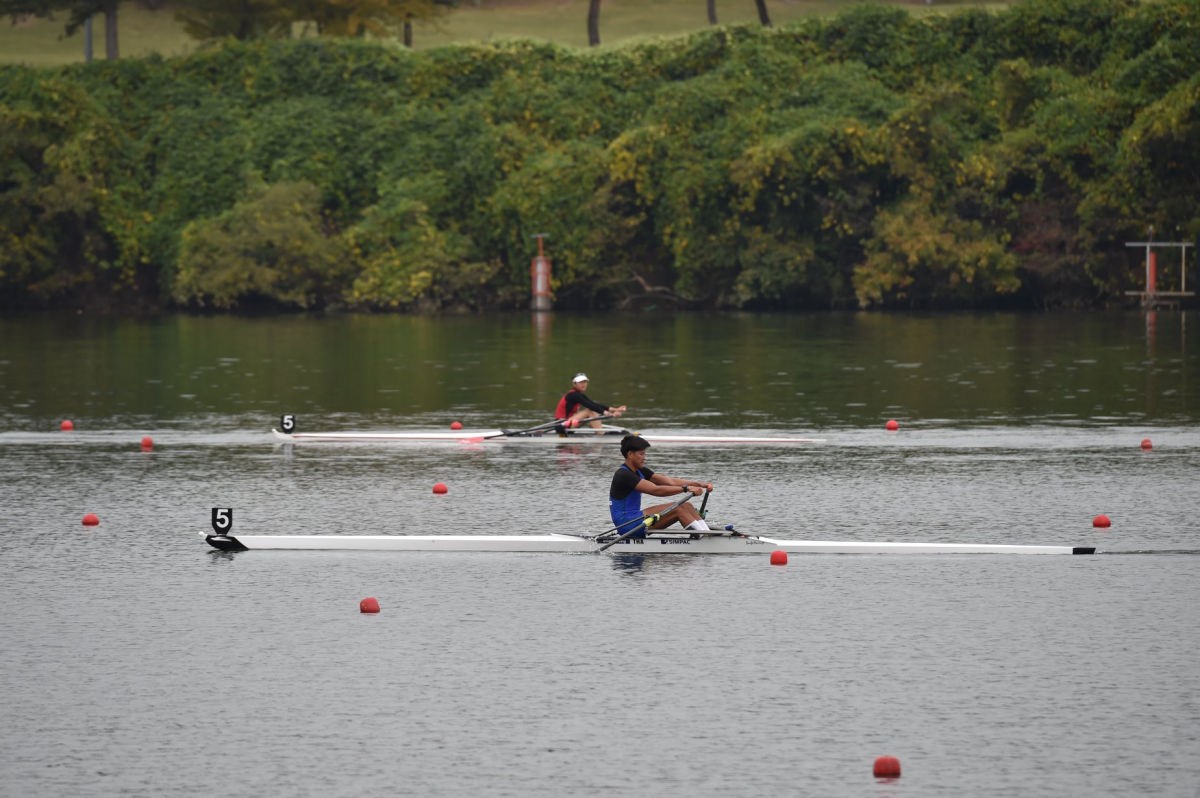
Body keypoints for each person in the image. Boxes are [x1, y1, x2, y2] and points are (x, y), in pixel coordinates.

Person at [609, 435, 713, 536]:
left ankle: (706, 534)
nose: (644, 458)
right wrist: (687, 488)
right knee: (679, 508)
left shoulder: (640, 471)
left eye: (645, 454)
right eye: (641, 454)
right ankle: (702, 538)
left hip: (635, 518)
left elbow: (669, 481)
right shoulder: (623, 474)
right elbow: (656, 490)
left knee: (687, 506)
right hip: (626, 524)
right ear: (630, 454)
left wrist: (699, 484)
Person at [554, 373, 627, 431]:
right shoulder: (573, 395)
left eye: (585, 382)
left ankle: (600, 434)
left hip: (569, 423)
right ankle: (601, 435)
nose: (583, 384)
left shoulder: (579, 395)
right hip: (561, 425)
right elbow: (590, 406)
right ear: (574, 384)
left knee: (593, 410)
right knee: (589, 411)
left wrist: (615, 409)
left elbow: (593, 404)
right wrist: (608, 414)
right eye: (580, 382)